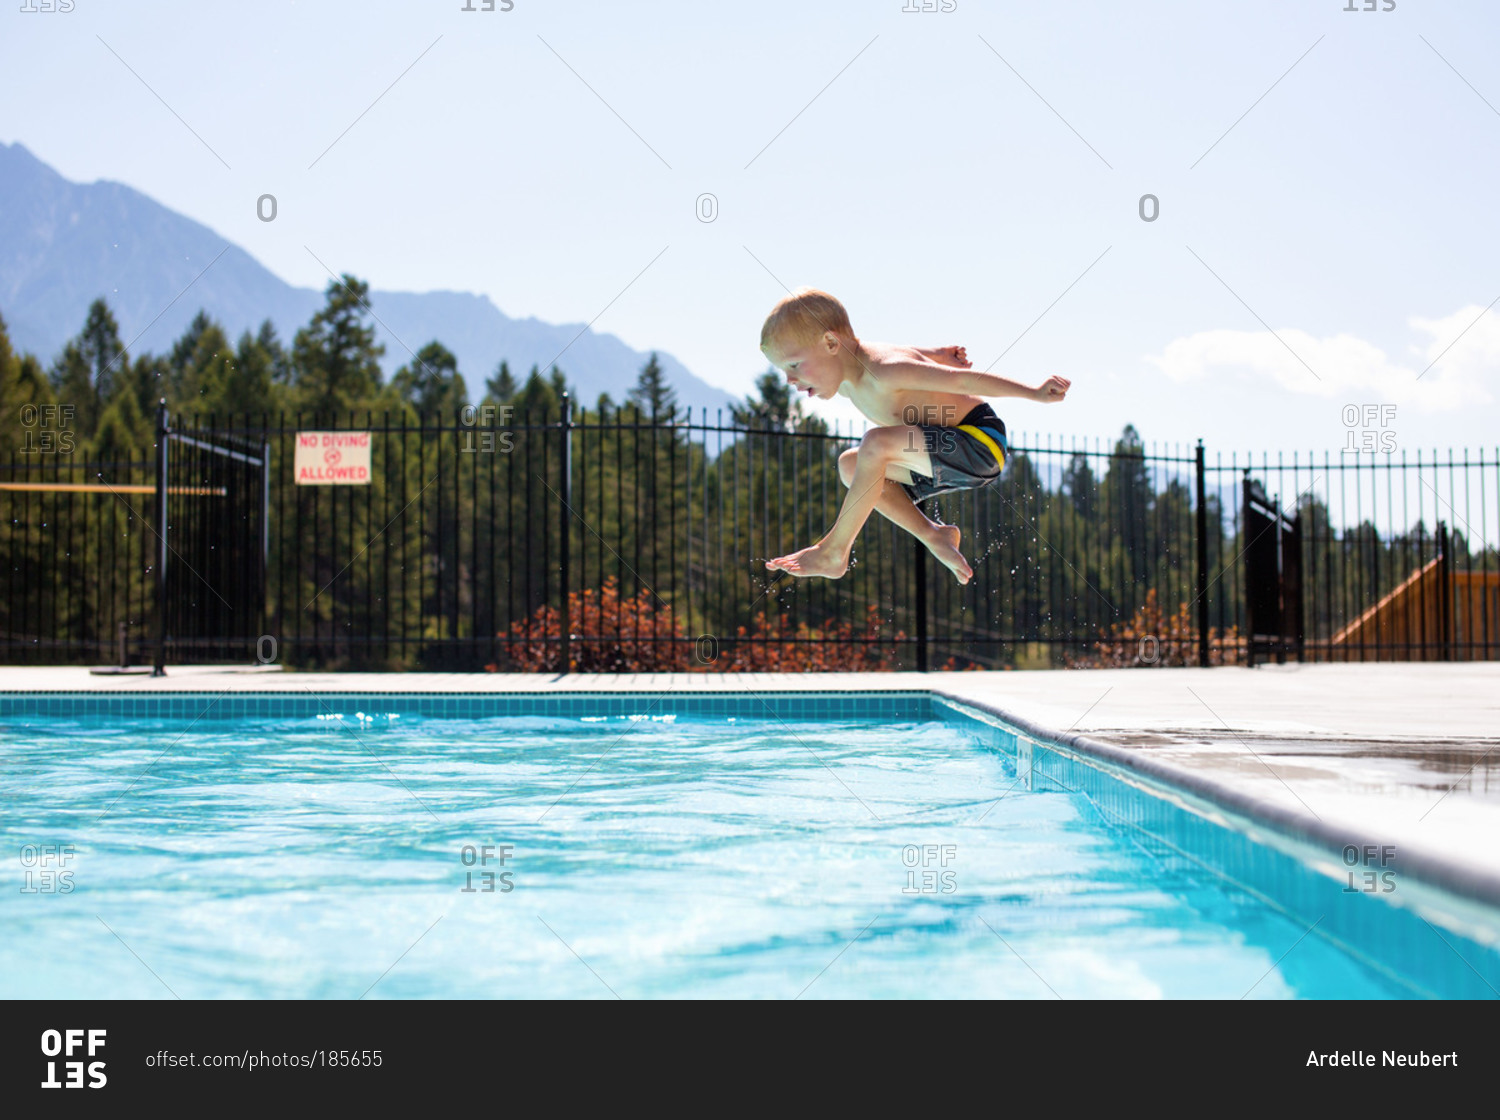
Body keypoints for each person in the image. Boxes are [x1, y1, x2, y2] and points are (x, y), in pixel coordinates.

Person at [760, 287, 1070, 584]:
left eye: (794, 364)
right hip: (942, 453)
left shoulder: (883, 370)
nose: (789, 379)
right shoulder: (848, 371)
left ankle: (833, 551)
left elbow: (963, 383)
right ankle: (934, 534)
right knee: (850, 466)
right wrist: (936, 353)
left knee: (876, 444)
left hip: (978, 441)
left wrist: (1034, 393)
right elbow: (905, 351)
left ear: (830, 343)